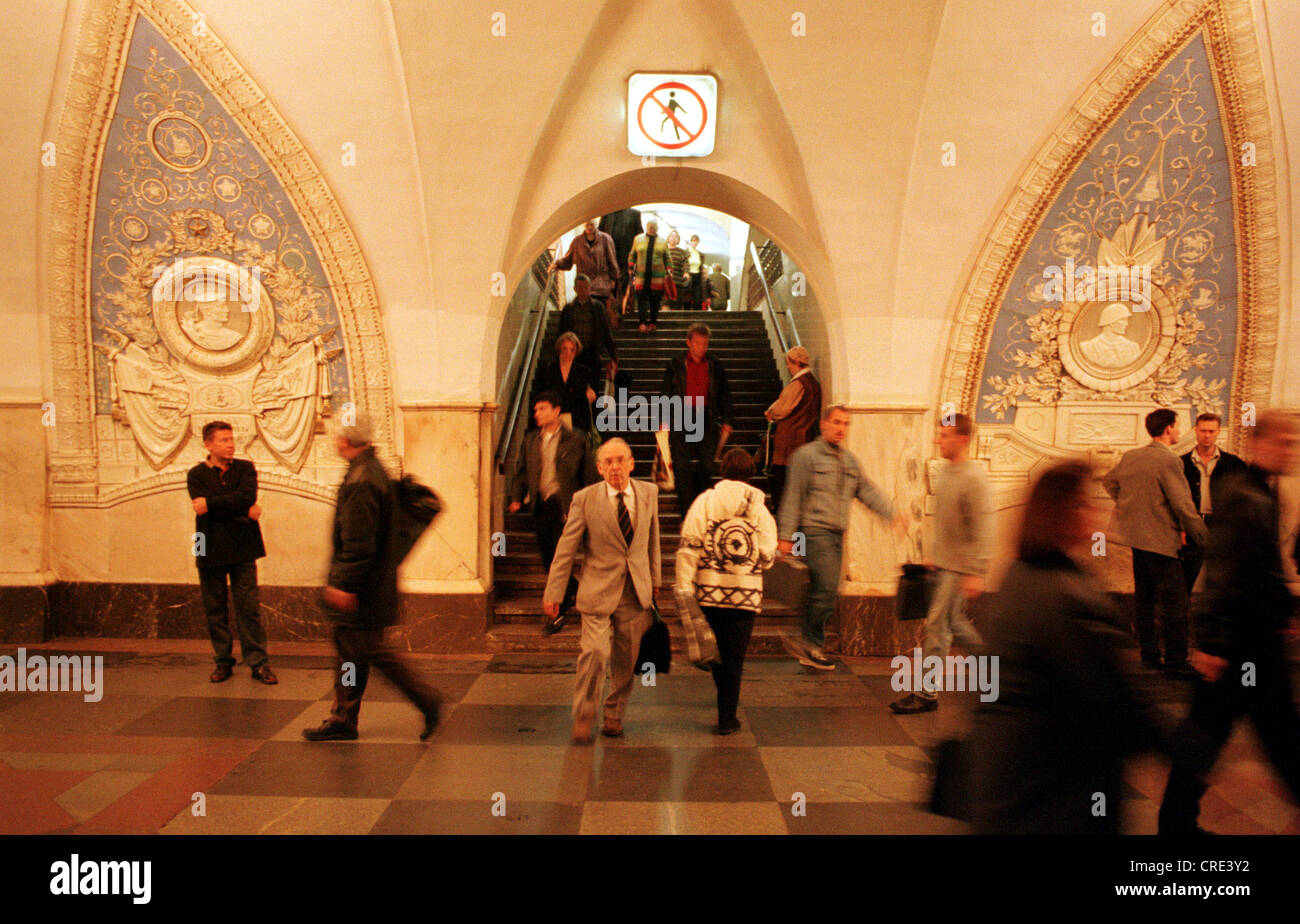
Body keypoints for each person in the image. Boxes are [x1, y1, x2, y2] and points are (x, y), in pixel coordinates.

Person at [970, 461, 1175, 834]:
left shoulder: (1016, 578)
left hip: (1010, 774)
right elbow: (1114, 697)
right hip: (1056, 791)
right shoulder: (1066, 596)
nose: (1095, 512)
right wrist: (1187, 752)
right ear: (1061, 514)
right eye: (1084, 502)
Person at [1158, 411, 1300, 834]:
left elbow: (1262, 567)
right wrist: (1213, 642)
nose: (1290, 449)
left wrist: (1283, 611)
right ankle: (1175, 821)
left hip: (1252, 640)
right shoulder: (1246, 496)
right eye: (1284, 441)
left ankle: (1176, 821)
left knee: (1264, 733)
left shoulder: (1261, 493)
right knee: (1240, 733)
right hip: (1240, 644)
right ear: (1259, 444)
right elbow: (1224, 571)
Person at [302, 417, 442, 742]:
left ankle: (424, 700)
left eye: (338, 436)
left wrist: (343, 585)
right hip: (373, 585)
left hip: (361, 589)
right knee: (354, 654)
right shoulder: (371, 470)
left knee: (370, 653)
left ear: (345, 441)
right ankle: (344, 717)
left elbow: (358, 542)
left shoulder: (362, 480)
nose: (335, 440)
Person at [542, 438, 661, 744]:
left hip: (635, 590)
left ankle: (614, 714)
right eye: (608, 462)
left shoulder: (648, 493)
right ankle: (584, 712)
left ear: (632, 463)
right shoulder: (584, 499)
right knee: (595, 652)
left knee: (626, 660)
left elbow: (652, 540)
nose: (615, 467)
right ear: (599, 468)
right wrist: (554, 592)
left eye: (620, 460)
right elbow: (566, 549)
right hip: (597, 589)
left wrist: (655, 579)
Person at [778, 405, 907, 670]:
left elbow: (867, 491)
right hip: (814, 533)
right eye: (837, 422)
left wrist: (892, 514)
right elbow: (793, 496)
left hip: (837, 535)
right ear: (823, 423)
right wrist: (786, 536)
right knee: (825, 587)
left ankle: (806, 641)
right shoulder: (807, 456)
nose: (841, 429)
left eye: (846, 424)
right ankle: (809, 642)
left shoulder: (849, 461)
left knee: (827, 590)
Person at [890, 413, 992, 714]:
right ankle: (999, 677)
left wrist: (976, 571)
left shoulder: (975, 477)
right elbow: (948, 522)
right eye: (938, 434)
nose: (938, 440)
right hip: (945, 563)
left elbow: (983, 526)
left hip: (961, 567)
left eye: (944, 435)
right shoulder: (946, 473)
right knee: (955, 625)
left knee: (937, 625)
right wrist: (934, 556)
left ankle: (926, 693)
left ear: (962, 439)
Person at [676, 448, 777, 735]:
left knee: (716, 652)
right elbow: (768, 552)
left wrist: (685, 584)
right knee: (735, 657)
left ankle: (725, 706)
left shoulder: (705, 501)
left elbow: (689, 545)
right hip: (744, 595)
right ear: (750, 473)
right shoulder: (759, 506)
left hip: (709, 592)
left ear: (723, 471)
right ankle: (727, 717)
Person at [1102, 408, 1208, 677]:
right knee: (1176, 603)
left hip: (1136, 539)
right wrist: (1204, 538)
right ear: (1169, 428)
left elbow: (1109, 482)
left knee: (1145, 600)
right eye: (1178, 425)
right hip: (1161, 541)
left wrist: (1130, 505)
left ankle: (1149, 656)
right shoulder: (1169, 461)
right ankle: (1175, 662)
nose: (1180, 430)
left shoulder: (1131, 456)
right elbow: (1183, 505)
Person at [187, 421, 277, 685]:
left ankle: (258, 663)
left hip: (243, 546)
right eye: (224, 440)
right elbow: (203, 505)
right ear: (208, 444)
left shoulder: (245, 469)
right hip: (208, 545)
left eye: (231, 439)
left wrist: (213, 503)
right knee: (215, 608)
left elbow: (245, 496)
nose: (231, 444)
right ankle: (222, 661)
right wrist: (241, 509)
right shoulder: (195, 474)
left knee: (248, 608)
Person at [509, 391, 597, 635]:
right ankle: (572, 592)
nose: (537, 414)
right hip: (541, 504)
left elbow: (588, 474)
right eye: (535, 410)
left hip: (565, 505)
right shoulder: (531, 440)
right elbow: (521, 472)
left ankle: (560, 606)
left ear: (556, 411)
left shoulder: (575, 439)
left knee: (561, 555)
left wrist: (592, 504)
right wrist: (517, 498)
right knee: (548, 558)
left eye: (542, 409)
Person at [660, 323, 734, 521]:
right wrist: (664, 419)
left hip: (705, 417)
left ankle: (699, 504)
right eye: (698, 343)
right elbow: (666, 393)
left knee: (708, 465)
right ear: (688, 342)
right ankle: (687, 511)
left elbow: (725, 393)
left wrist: (727, 419)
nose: (702, 347)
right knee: (681, 465)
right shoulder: (675, 363)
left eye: (705, 343)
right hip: (680, 415)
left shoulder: (715, 364)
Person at [1179, 412, 1246, 595]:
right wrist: (1181, 528)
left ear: (1218, 432)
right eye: (1203, 431)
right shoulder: (1181, 463)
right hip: (1193, 524)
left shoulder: (1234, 464)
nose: (1207, 435)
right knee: (1186, 578)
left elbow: (1241, 501)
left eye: (1211, 431)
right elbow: (1175, 500)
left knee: (1223, 577)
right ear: (1195, 431)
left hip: (1222, 526)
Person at [763, 346, 821, 513]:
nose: (788, 367)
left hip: (788, 443)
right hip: (804, 440)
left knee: (781, 486)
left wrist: (770, 412)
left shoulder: (799, 383)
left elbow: (782, 408)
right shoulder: (814, 384)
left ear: (796, 363)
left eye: (789, 363)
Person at [557, 274, 617, 385]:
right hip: (574, 352)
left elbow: (605, 330)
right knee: (575, 384)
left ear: (590, 288)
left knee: (593, 384)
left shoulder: (598, 307)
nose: (583, 291)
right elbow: (561, 332)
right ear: (575, 289)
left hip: (592, 351)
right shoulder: (569, 309)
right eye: (580, 287)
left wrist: (613, 354)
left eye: (585, 287)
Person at [531, 332, 597, 432]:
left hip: (577, 422)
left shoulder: (583, 372)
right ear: (559, 349)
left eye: (572, 350)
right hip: (553, 419)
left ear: (576, 352)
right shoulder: (548, 370)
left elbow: (589, 396)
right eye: (564, 348)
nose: (568, 353)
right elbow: (540, 394)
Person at [550, 220, 620, 304]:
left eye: (592, 225)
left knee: (600, 312)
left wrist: (613, 279)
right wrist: (556, 264)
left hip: (601, 285)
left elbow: (612, 259)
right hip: (584, 284)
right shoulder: (577, 241)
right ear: (583, 225)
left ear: (596, 224)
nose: (590, 227)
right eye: (587, 225)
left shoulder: (605, 239)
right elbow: (568, 259)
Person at [627, 219, 671, 332]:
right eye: (650, 226)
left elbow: (668, 257)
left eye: (654, 226)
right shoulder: (638, 239)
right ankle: (642, 322)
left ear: (657, 228)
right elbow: (632, 254)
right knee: (641, 300)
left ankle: (653, 323)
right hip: (641, 276)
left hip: (657, 277)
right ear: (646, 227)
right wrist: (631, 267)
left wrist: (669, 271)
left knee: (655, 301)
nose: (652, 228)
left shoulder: (663, 241)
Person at [598, 207, 642, 314]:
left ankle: (621, 308)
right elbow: (599, 233)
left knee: (624, 282)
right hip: (609, 256)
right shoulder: (606, 213)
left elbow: (639, 235)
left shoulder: (634, 213)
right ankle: (611, 310)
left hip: (627, 256)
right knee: (609, 283)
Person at [664, 229, 689, 311]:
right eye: (672, 236)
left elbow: (686, 263)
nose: (673, 238)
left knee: (678, 306)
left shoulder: (682, 252)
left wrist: (686, 272)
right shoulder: (663, 251)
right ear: (668, 238)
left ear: (678, 240)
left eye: (676, 237)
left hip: (678, 282)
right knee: (665, 305)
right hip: (666, 283)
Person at [684, 234, 705, 311]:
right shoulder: (686, 252)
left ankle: (697, 316)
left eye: (696, 241)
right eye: (693, 241)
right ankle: (686, 313)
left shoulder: (699, 254)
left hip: (697, 275)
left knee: (697, 297)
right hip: (689, 275)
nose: (695, 243)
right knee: (687, 297)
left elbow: (701, 266)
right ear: (690, 241)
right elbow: (684, 263)